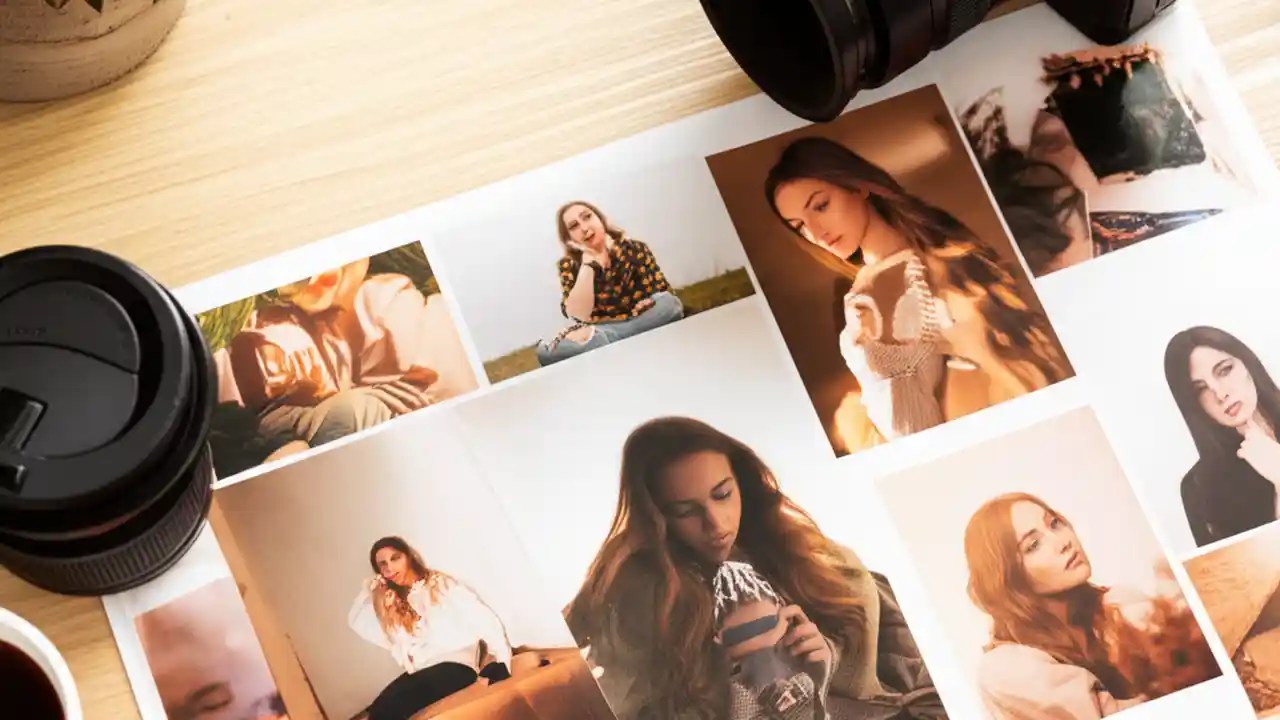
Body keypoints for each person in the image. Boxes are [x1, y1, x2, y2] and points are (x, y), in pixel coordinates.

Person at [564, 416, 945, 719]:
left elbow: (896, 661)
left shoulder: (804, 554)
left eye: (723, 494)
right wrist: (721, 683)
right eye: (685, 511)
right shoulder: (635, 603)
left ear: (742, 482)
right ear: (656, 516)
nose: (716, 524)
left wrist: (824, 661)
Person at [765, 137, 1070, 442]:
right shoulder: (882, 279)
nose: (816, 233)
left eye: (820, 206)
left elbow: (913, 424)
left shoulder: (910, 279)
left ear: (857, 186)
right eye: (800, 226)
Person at [964, 492, 1217, 719]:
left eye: (1055, 524)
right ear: (1007, 578)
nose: (1063, 542)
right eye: (1033, 545)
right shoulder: (1006, 670)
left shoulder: (1116, 605)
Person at [211, 257, 475, 472]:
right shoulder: (332, 404)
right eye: (269, 396)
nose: (280, 378)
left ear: (264, 321)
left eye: (257, 365)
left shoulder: (366, 309)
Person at [347, 537, 529, 720]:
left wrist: (504, 661)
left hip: (456, 666)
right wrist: (370, 589)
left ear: (409, 557)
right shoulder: (394, 601)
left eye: (395, 558)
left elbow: (482, 618)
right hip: (424, 670)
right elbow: (356, 621)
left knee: (388, 708)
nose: (390, 568)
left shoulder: (440, 584)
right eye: (383, 565)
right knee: (378, 708)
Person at [1164, 326, 1280, 547]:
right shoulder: (1199, 488)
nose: (1219, 392)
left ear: (1247, 363)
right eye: (1200, 389)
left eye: (1225, 370)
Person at [536, 201, 684, 366]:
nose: (584, 228)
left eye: (587, 217)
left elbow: (664, 293)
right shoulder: (569, 265)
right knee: (550, 350)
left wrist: (649, 302)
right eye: (574, 226)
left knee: (669, 304)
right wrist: (588, 266)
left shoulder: (634, 248)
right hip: (603, 330)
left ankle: (608, 343)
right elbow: (578, 314)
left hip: (641, 319)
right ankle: (609, 341)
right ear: (569, 239)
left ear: (600, 218)